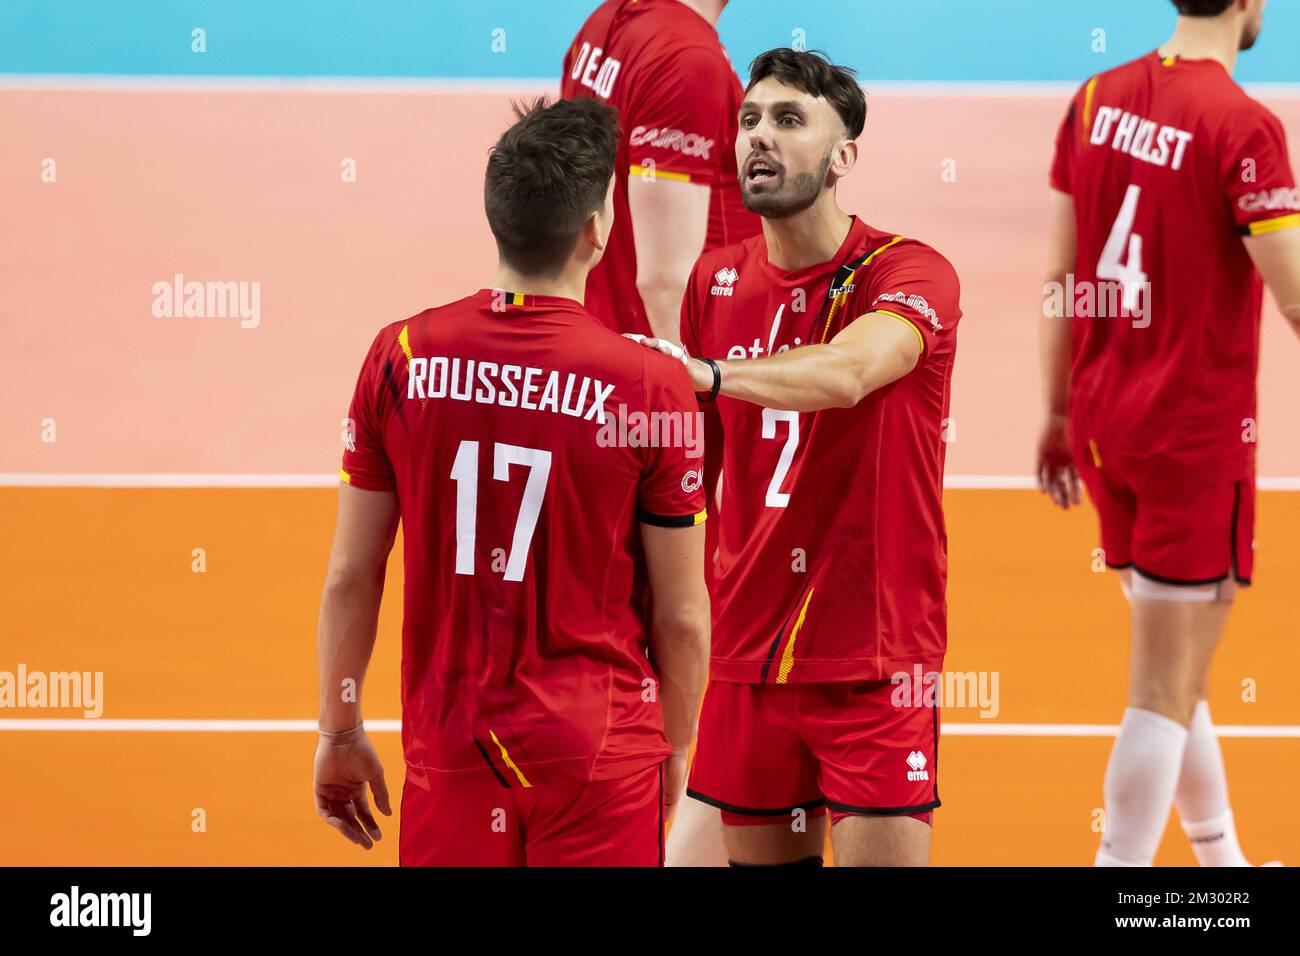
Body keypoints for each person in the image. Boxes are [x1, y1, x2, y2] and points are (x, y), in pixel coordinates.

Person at [312, 97, 710, 866]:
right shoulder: (650, 385)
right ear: (598, 230)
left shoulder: (400, 355)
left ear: (497, 216)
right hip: (600, 752)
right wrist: (679, 748)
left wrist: (338, 728)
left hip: (452, 747)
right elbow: (684, 615)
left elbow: (349, 577)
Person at [634, 48, 962, 867]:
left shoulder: (906, 271)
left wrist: (709, 374)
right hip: (748, 658)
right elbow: (694, 475)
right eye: (749, 121)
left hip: (874, 657)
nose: (759, 139)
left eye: (788, 121)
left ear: (843, 155)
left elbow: (852, 371)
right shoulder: (713, 283)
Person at [1038, 0, 1300, 866]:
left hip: (1109, 430)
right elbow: (1295, 297)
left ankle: (1222, 866)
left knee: (1179, 678)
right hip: (1193, 442)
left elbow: (1064, 275)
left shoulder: (1094, 98)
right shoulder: (1245, 128)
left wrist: (1057, 413)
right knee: (1163, 686)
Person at [561, 0, 760, 341]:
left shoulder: (606, 19)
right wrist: (696, 385)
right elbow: (665, 282)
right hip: (680, 346)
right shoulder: (687, 57)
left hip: (611, 330)